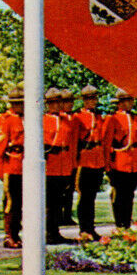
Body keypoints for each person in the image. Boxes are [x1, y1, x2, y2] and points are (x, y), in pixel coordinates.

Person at [104, 88, 137, 229]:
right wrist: (108, 165)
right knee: (119, 195)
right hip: (119, 163)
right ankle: (119, 224)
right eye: (126, 100)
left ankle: (127, 224)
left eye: (131, 100)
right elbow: (107, 144)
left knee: (130, 195)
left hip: (134, 163)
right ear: (119, 103)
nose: (130, 103)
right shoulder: (113, 119)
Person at [0, 85, 26, 249]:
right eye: (16, 103)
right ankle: (9, 235)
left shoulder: (27, 118)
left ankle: (17, 233)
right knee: (11, 202)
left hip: (25, 165)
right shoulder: (5, 119)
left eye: (21, 102)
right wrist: (0, 171)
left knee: (23, 202)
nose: (19, 106)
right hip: (11, 165)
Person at [72, 85, 106, 240]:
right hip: (84, 160)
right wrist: (75, 163)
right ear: (83, 100)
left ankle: (91, 228)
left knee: (92, 197)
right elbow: (74, 142)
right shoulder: (78, 117)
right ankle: (84, 229)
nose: (91, 101)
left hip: (97, 160)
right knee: (84, 197)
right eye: (88, 99)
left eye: (93, 98)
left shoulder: (99, 117)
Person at [43, 88, 75, 244]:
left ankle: (55, 232)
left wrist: (71, 165)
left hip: (64, 165)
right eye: (53, 103)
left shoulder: (66, 120)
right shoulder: (43, 120)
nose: (57, 105)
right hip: (51, 165)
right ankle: (49, 233)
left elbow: (71, 144)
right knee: (49, 202)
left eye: (59, 102)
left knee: (59, 202)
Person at [57, 88, 78, 226]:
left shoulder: (75, 118)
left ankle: (67, 215)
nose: (69, 104)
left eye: (71, 101)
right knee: (59, 190)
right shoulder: (59, 118)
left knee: (69, 190)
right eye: (66, 101)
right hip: (59, 160)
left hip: (71, 159)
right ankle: (58, 216)